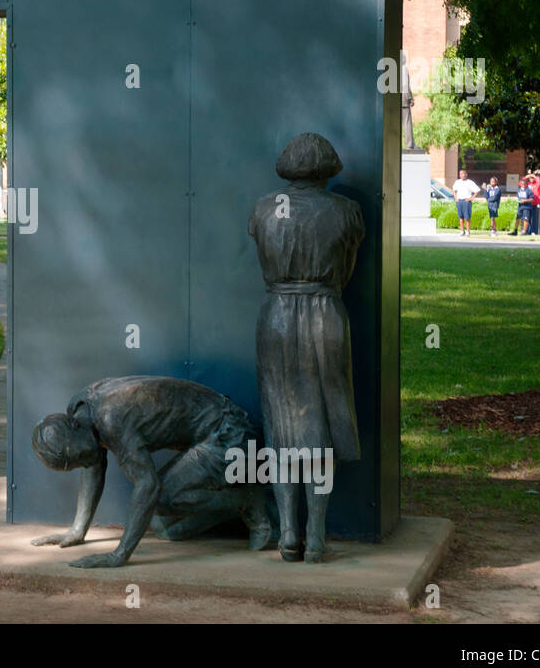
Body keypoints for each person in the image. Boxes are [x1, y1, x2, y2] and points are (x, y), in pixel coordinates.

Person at [248, 133, 365, 563]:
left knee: (281, 428)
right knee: (322, 427)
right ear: (328, 166)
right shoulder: (347, 212)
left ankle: (288, 534)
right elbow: (347, 269)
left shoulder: (263, 209)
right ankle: (315, 537)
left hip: (275, 316)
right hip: (326, 315)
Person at [30, 376, 273, 568]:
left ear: (74, 425)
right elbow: (93, 462)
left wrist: (120, 554)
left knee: (160, 499)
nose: (85, 463)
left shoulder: (111, 418)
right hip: (212, 434)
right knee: (163, 527)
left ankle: (248, 500)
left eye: (79, 456)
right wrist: (77, 530)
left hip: (230, 437)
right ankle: (239, 502)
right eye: (76, 464)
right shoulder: (81, 410)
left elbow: (148, 486)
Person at [451, 169, 480, 236]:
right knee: (460, 217)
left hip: (466, 201)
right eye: (460, 174)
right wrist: (456, 198)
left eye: (463, 173)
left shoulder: (470, 182)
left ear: (466, 174)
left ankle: (468, 231)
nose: (462, 175)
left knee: (467, 217)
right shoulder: (457, 182)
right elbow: (454, 190)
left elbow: (477, 190)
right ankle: (462, 231)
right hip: (459, 201)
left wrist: (471, 198)